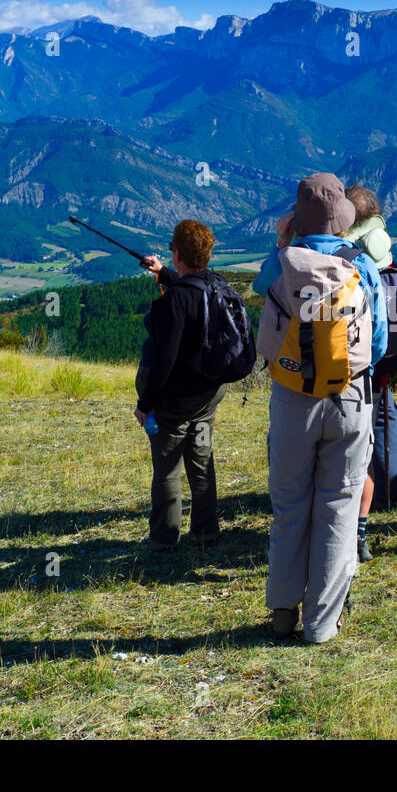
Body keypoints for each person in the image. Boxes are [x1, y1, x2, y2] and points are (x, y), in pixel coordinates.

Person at [254, 173, 388, 642]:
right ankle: (322, 623)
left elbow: (260, 291)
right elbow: (379, 341)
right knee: (339, 506)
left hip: (292, 395)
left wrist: (283, 238)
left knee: (290, 505)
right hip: (349, 395)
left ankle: (282, 612)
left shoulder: (281, 263)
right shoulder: (363, 266)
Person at [134, 220, 229, 550]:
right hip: (208, 397)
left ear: (177, 253)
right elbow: (189, 289)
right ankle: (205, 532)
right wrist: (161, 272)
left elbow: (163, 363)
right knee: (201, 461)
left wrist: (145, 404)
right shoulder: (216, 285)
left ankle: (163, 537)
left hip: (175, 401)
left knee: (167, 468)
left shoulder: (173, 303)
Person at [345, 183, 397, 563]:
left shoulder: (347, 258)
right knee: (385, 416)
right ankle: (390, 484)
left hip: (358, 367)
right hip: (386, 364)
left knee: (361, 432)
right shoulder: (384, 254)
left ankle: (364, 501)